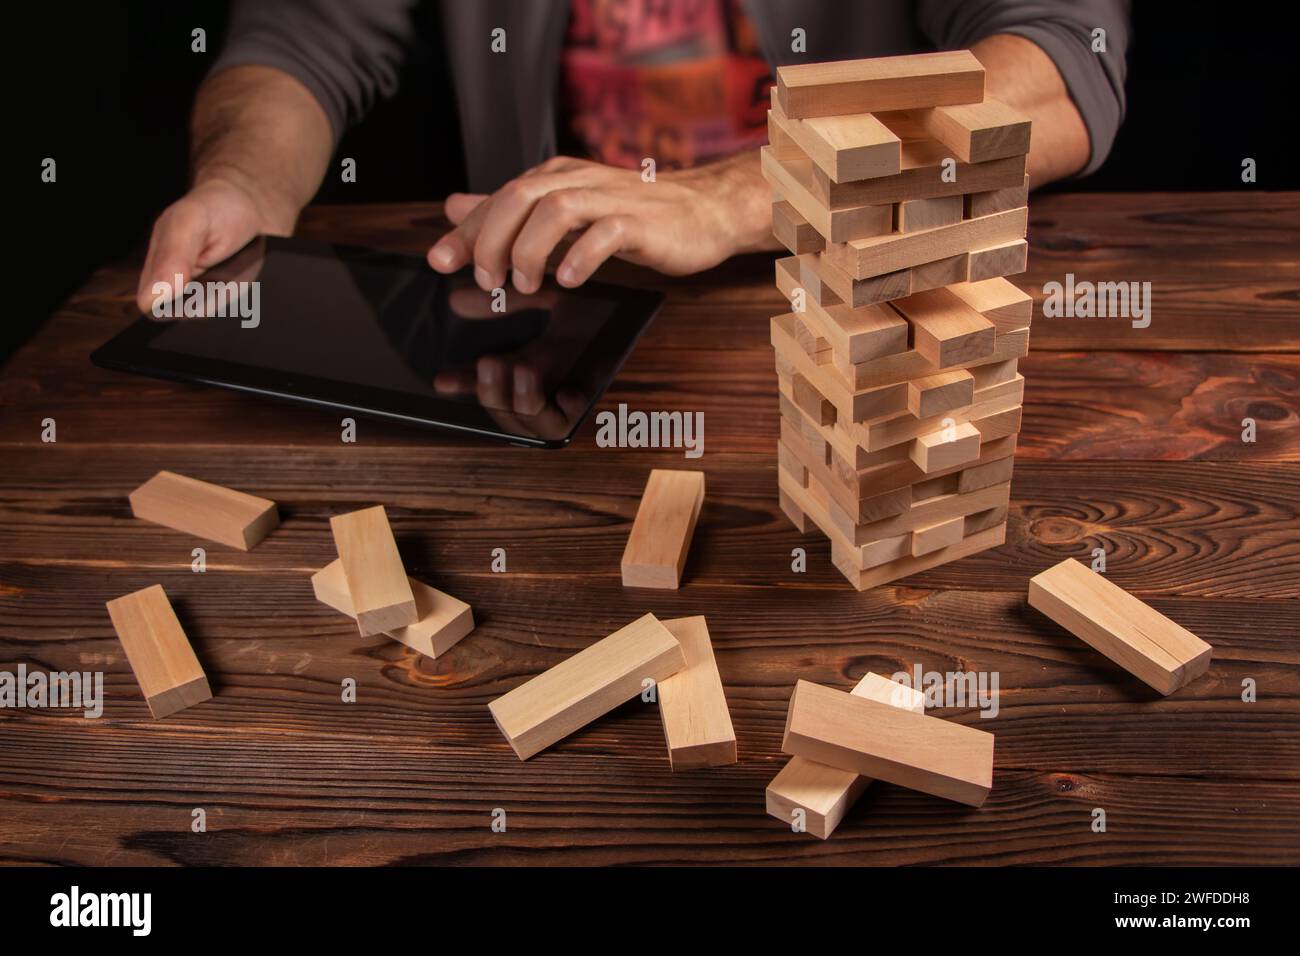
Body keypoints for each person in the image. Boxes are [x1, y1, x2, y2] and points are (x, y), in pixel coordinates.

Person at [136, 0, 1129, 310]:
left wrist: (733, 196)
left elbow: (1060, 69)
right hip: (546, 322)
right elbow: (297, 45)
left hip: (848, 301)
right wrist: (244, 179)